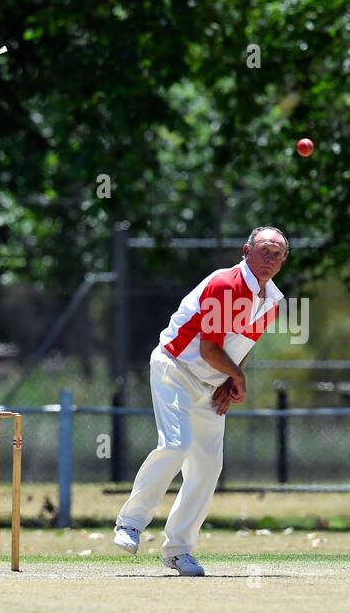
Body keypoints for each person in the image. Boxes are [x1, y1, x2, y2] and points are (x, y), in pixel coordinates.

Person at [112, 227, 288, 575]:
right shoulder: (225, 283)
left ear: (283, 261)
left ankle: (178, 550)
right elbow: (208, 348)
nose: (271, 258)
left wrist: (228, 380)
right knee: (176, 445)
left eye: (278, 254)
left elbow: (242, 346)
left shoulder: (272, 300)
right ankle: (130, 523)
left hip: (210, 381)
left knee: (207, 467)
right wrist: (237, 376)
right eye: (265, 250)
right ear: (246, 250)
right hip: (175, 367)